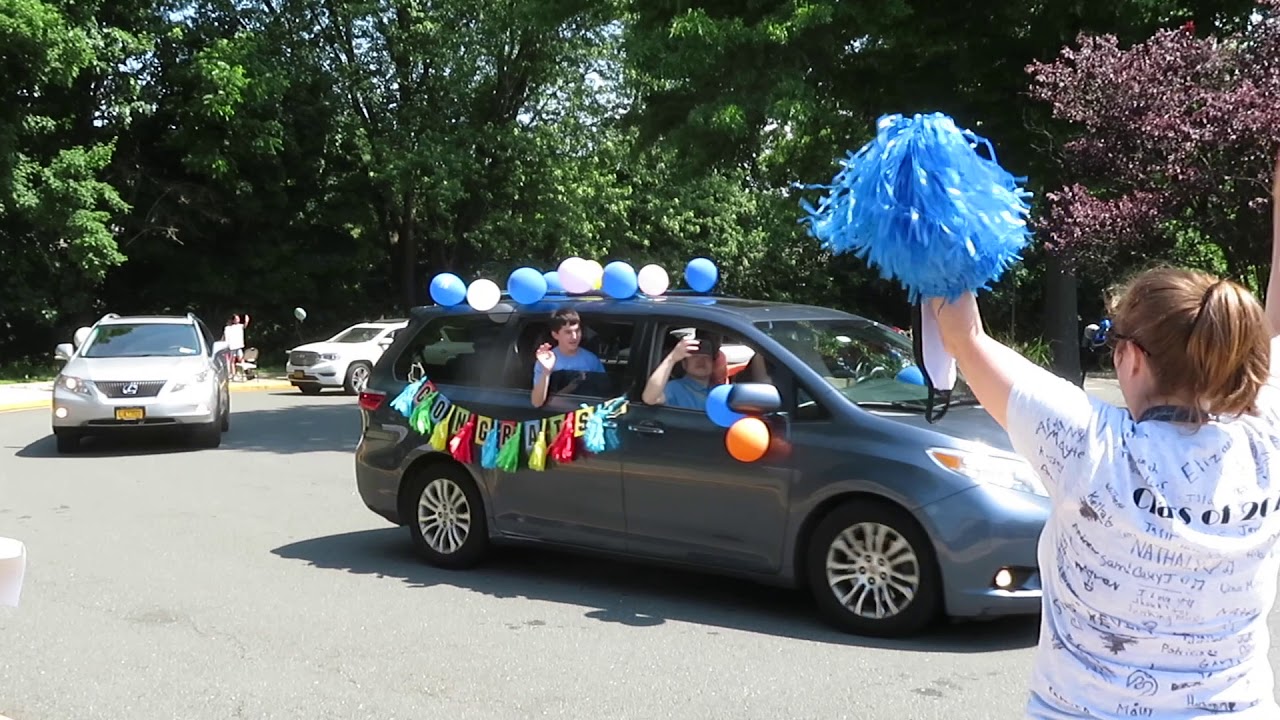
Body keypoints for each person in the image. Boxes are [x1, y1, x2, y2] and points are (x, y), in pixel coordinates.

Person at [924, 152, 1280, 719]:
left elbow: (964, 337)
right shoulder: (1266, 436)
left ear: (1132, 358)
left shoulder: (1086, 444)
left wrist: (933, 219)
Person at [642, 330, 771, 409]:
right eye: (694, 357)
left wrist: (761, 351)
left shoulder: (720, 391)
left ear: (714, 363)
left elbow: (765, 390)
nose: (701, 361)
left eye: (706, 357)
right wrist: (671, 359)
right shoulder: (675, 388)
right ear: (684, 365)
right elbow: (649, 398)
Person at [530, 308, 605, 407]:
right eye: (568, 332)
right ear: (555, 335)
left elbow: (603, 394)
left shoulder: (591, 360)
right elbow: (537, 402)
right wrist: (546, 371)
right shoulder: (546, 360)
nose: (574, 337)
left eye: (577, 331)